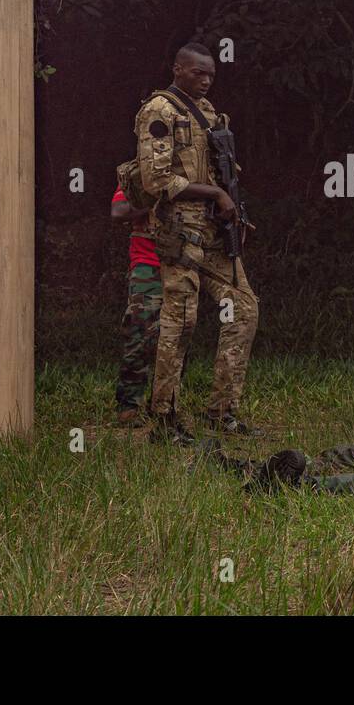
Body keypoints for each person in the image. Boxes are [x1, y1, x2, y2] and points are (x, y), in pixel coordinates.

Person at [134, 42, 260, 442]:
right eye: (197, 73)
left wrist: (235, 209)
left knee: (243, 308)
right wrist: (213, 195)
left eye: (210, 75)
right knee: (181, 319)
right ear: (177, 69)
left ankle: (222, 411)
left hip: (213, 234)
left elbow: (224, 172)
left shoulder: (208, 114)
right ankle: (164, 417)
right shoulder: (159, 110)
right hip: (180, 231)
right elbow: (155, 181)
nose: (205, 81)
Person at [110, 186, 162, 427]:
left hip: (183, 262)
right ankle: (129, 405)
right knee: (139, 333)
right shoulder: (144, 172)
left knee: (177, 335)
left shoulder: (192, 171)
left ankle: (165, 404)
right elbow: (118, 211)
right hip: (147, 265)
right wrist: (158, 200)